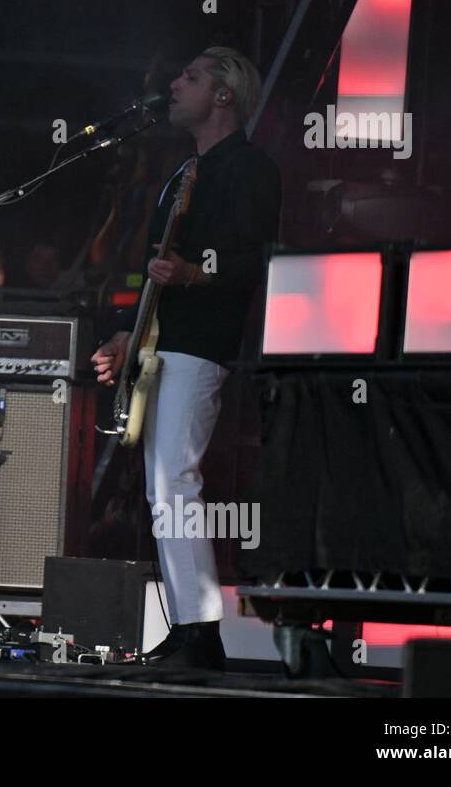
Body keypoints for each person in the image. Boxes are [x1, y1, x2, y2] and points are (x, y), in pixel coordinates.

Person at [91, 47, 281, 671]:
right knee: (160, 484)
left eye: (191, 77)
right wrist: (127, 334)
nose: (174, 84)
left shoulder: (248, 169)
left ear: (223, 96)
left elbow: (253, 264)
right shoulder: (182, 174)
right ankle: (187, 626)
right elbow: (153, 272)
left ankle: (201, 631)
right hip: (162, 341)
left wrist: (196, 274)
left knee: (175, 479)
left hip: (203, 345)